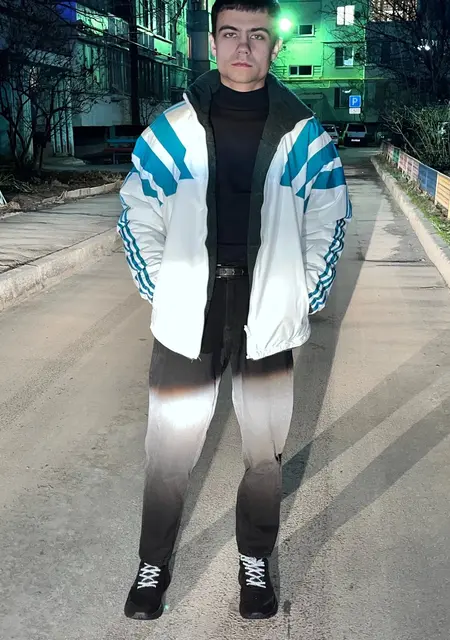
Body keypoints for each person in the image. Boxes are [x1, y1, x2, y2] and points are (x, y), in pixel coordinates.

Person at [118, 0, 352, 622]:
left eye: (256, 35)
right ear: (214, 41)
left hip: (266, 310)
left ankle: (255, 560)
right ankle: (152, 564)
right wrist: (162, 285)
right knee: (169, 450)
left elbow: (329, 215)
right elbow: (138, 210)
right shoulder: (172, 130)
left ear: (273, 45)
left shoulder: (304, 134)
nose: (243, 47)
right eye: (230, 34)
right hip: (189, 313)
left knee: (264, 453)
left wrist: (303, 292)